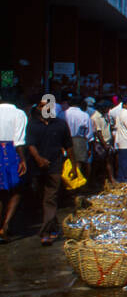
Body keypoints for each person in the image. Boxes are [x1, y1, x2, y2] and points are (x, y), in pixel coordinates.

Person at [26, 96, 72, 245]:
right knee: (43, 198)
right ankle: (54, 226)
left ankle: (45, 232)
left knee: (50, 198)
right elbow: (30, 145)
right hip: (37, 168)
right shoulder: (33, 125)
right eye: (41, 106)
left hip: (55, 166)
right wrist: (39, 159)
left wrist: (74, 165)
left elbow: (69, 146)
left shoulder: (60, 125)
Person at [0, 88, 28, 242]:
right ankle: (6, 224)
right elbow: (19, 140)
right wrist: (23, 159)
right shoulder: (19, 114)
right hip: (10, 152)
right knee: (16, 190)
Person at [62, 95, 92, 177]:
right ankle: (77, 183)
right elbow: (89, 134)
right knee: (78, 162)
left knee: (65, 162)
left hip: (64, 140)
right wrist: (89, 147)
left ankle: (67, 183)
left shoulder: (63, 114)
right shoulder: (84, 115)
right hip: (79, 140)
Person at [90, 99, 113, 183]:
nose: (109, 110)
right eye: (107, 108)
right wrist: (104, 144)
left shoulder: (105, 115)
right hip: (100, 143)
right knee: (98, 163)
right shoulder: (96, 117)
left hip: (107, 141)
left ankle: (110, 178)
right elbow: (98, 133)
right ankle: (94, 181)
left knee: (108, 161)